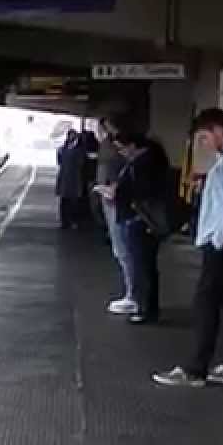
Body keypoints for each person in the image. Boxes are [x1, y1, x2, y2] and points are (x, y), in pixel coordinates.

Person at [154, 108, 223, 387]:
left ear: (217, 130)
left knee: (206, 303)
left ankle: (195, 369)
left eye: (204, 138)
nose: (204, 145)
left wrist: (217, 241)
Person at [105, 130, 170, 325]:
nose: (121, 152)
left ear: (132, 145)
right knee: (145, 265)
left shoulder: (143, 165)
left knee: (142, 266)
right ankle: (145, 306)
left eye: (121, 148)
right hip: (140, 219)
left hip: (139, 221)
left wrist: (114, 193)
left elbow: (137, 193)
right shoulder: (150, 161)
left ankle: (144, 308)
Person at [95, 119, 135, 315]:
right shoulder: (111, 146)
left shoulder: (116, 150)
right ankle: (132, 293)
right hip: (112, 200)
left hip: (117, 203)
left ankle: (133, 295)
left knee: (125, 251)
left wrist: (112, 190)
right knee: (122, 251)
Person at [56, 130, 86, 228]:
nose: (71, 138)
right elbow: (59, 162)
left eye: (73, 136)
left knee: (74, 201)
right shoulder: (62, 149)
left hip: (74, 178)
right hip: (65, 177)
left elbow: (81, 163)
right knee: (64, 201)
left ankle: (73, 220)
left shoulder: (78, 150)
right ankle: (65, 221)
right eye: (70, 136)